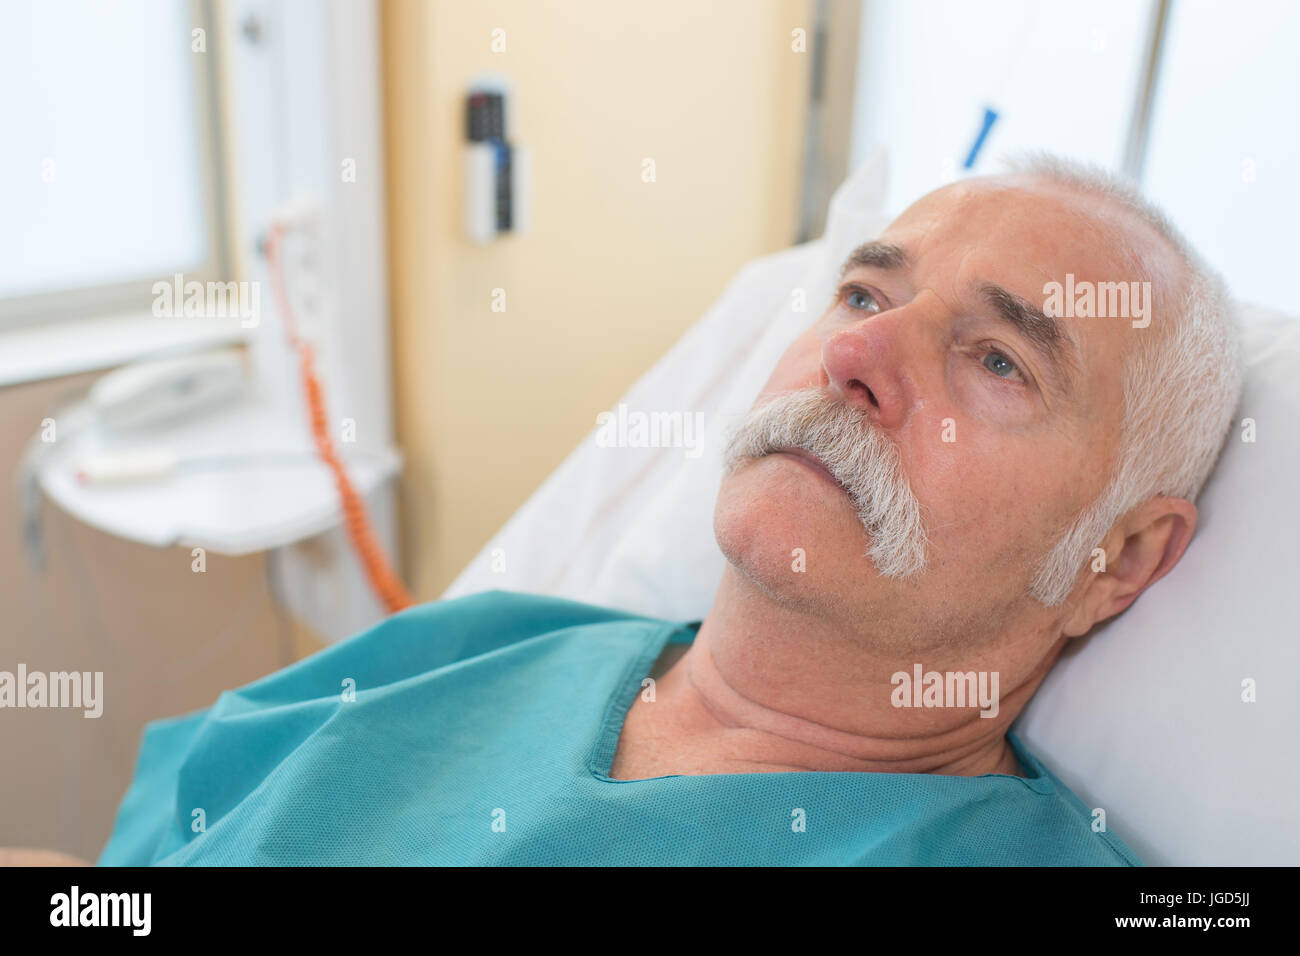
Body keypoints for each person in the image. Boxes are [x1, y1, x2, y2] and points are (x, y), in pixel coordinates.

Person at [93, 154, 1243, 866]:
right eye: (862, 291)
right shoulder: (469, 649)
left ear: (1120, 558)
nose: (854, 352)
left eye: (996, 360)